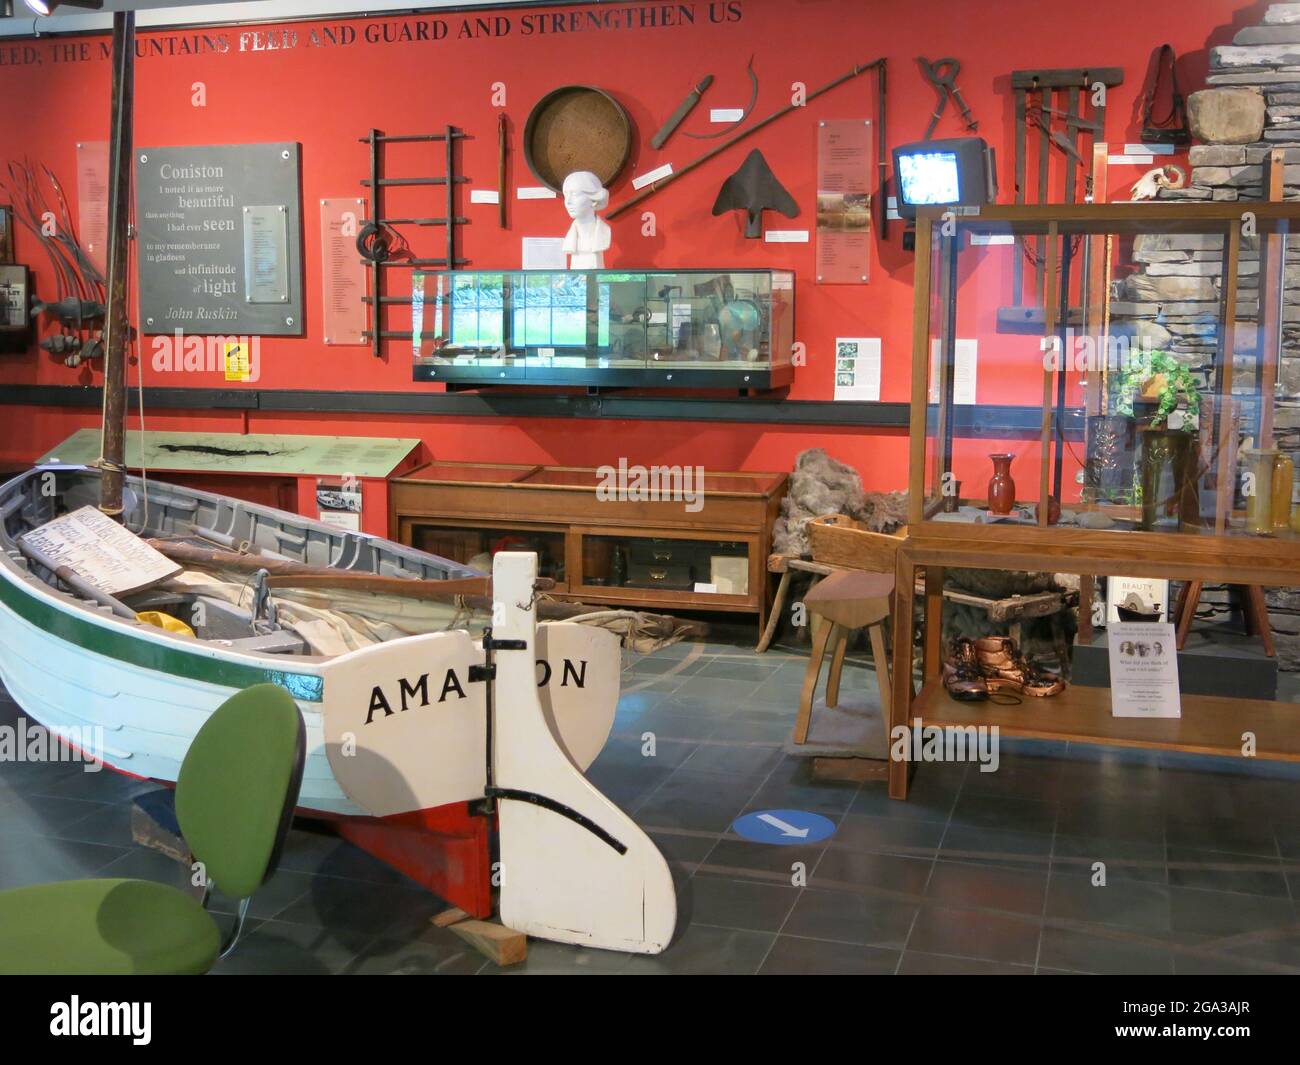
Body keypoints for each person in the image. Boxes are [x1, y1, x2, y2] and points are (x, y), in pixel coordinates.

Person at [562, 170, 611, 269]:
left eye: (575, 194)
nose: (568, 201)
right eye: (566, 194)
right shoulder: (571, 238)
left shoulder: (604, 232)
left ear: (593, 200)